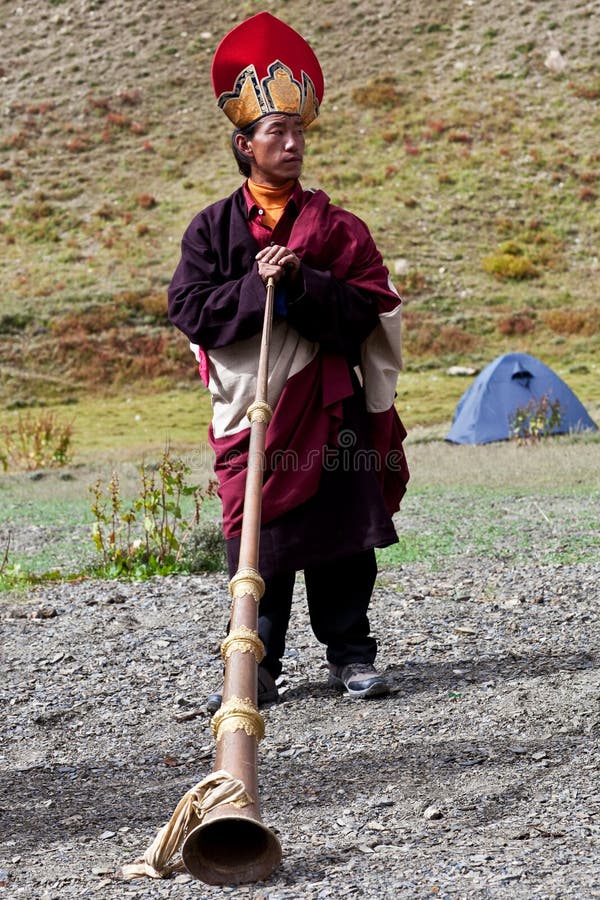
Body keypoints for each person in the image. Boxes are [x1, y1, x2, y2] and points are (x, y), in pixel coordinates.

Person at [167, 12, 409, 710]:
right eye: (278, 133)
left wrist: (302, 284)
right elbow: (192, 310)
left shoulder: (336, 228)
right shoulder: (212, 230)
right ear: (244, 144)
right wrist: (256, 286)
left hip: (325, 408)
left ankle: (351, 655)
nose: (295, 143)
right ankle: (258, 663)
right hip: (254, 412)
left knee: (339, 531)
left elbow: (370, 306)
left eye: (300, 132)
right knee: (259, 537)